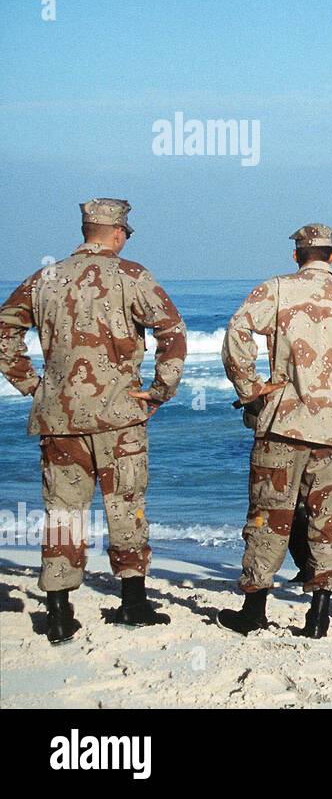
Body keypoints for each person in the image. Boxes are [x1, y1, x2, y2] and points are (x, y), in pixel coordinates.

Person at [0, 199, 187, 643]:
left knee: (63, 511)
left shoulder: (44, 277)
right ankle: (133, 603)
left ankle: (60, 613)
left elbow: (4, 329)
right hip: (119, 416)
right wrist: (161, 390)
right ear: (118, 233)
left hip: (59, 416)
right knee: (125, 505)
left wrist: (31, 384)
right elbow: (172, 331)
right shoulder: (132, 275)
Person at [217, 223, 332, 639]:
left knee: (270, 516)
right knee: (328, 519)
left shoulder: (278, 289)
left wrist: (249, 387)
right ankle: (319, 613)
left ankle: (254, 610)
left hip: (283, 423)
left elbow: (238, 330)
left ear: (297, 255)